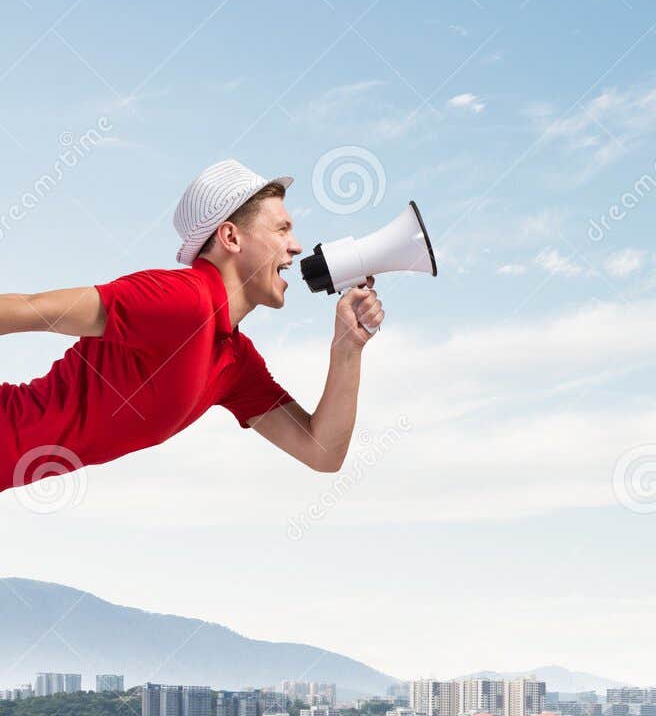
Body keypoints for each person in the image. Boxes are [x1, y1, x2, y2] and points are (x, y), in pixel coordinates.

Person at [0, 159, 383, 493]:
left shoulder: (235, 361)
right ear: (230, 237)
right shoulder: (181, 300)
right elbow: (31, 308)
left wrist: (347, 348)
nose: (296, 246)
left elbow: (321, 451)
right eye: (282, 229)